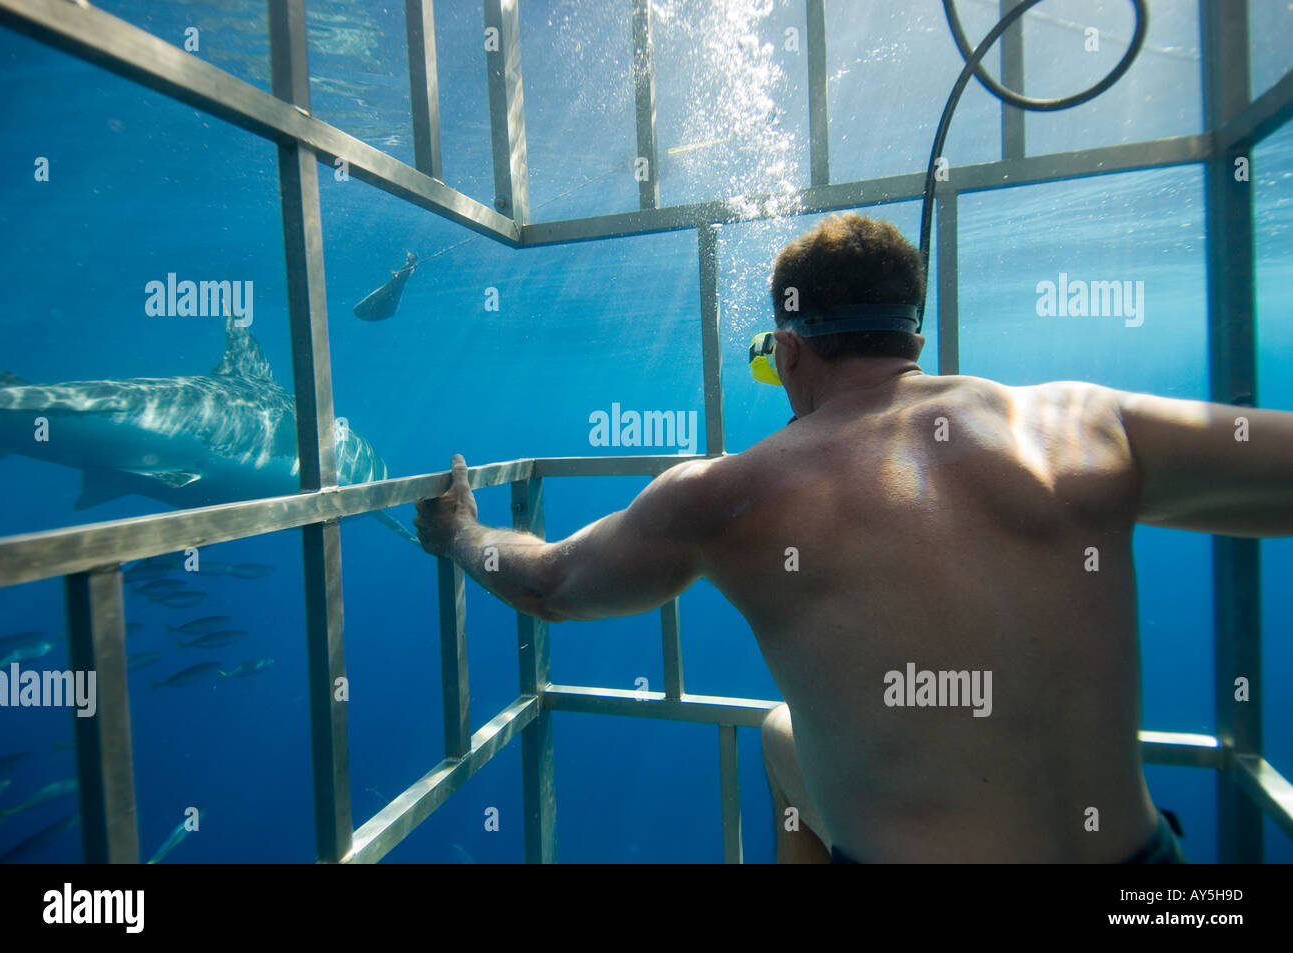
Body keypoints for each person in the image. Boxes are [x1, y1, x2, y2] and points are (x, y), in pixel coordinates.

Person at [414, 212, 1291, 863]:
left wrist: (460, 531)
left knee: (778, 738)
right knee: (777, 733)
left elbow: (549, 585)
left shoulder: (730, 492)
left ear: (789, 350)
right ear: (912, 333)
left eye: (767, 356)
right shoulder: (1084, 423)